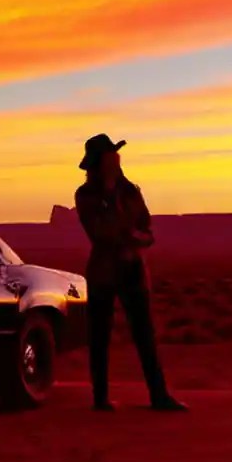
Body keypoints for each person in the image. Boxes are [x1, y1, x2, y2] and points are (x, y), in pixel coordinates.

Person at [74, 134, 187, 412]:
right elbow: (102, 233)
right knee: (99, 336)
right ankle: (100, 398)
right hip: (103, 272)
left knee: (145, 334)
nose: (117, 158)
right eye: (112, 155)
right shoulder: (86, 195)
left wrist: (136, 236)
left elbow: (147, 230)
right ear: (101, 161)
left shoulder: (131, 191)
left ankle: (159, 395)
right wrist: (116, 205)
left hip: (133, 269)